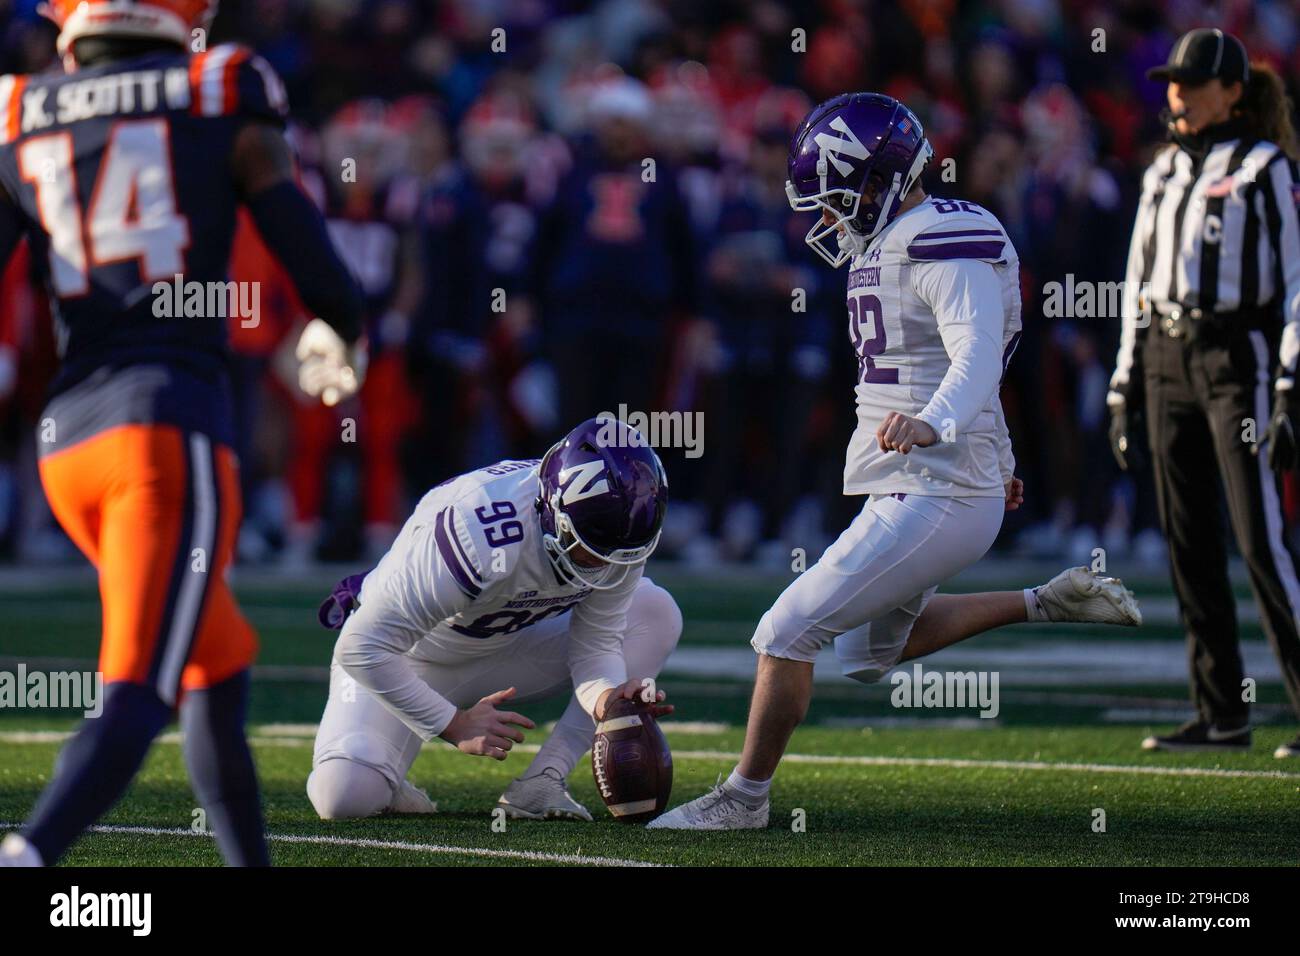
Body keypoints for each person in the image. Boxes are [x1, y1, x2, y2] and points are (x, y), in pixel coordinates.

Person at [650, 93, 1141, 831]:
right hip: (923, 477)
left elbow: (976, 351)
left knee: (784, 632)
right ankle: (1046, 600)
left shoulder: (945, 233)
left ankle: (744, 798)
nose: (827, 218)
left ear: (878, 179)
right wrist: (989, 449)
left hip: (937, 481)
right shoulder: (896, 239)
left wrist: (942, 424)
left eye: (836, 197)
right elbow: (947, 363)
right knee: (867, 650)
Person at [0, 0, 366, 866]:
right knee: (138, 691)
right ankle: (29, 856)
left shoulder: (20, 109)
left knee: (219, 667)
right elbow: (329, 284)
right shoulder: (219, 86)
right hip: (164, 433)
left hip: (69, 446)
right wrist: (341, 330)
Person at [306, 418, 681, 822]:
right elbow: (361, 646)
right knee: (342, 797)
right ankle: (388, 777)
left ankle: (543, 781)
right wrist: (453, 724)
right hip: (409, 659)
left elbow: (596, 646)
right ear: (551, 510)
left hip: (509, 645)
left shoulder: (619, 535)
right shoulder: (479, 531)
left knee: (655, 612)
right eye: (589, 552)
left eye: (616, 554)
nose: (603, 568)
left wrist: (609, 701)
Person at [1108, 29, 1300, 758]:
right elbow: (1136, 282)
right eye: (1172, 81)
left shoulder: (1265, 167)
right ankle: (1222, 713)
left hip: (1235, 356)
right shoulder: (1160, 172)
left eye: (1190, 82)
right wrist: (1126, 382)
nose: (1176, 94)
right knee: (1189, 548)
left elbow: (1296, 278)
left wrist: (1289, 382)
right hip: (1164, 357)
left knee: (1261, 543)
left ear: (1232, 92)